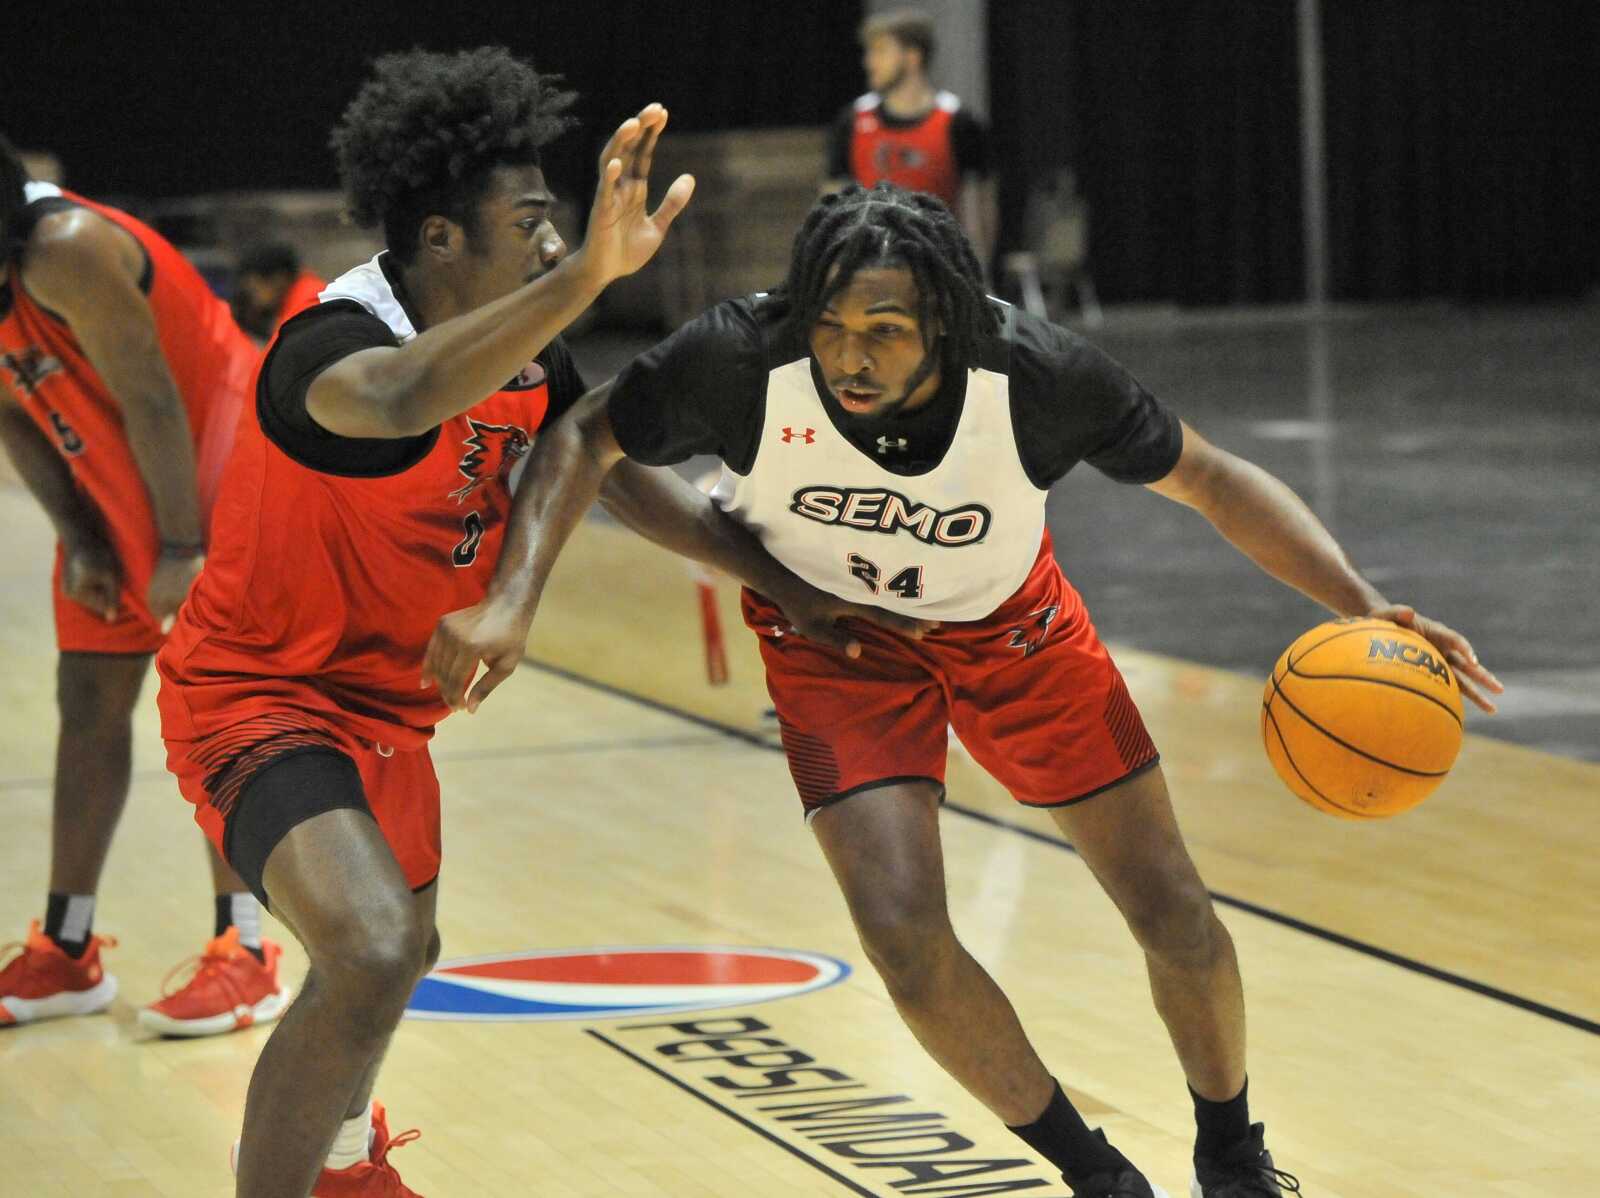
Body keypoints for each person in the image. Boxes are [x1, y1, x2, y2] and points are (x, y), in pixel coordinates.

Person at [431, 183, 1504, 1198]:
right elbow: (585, 435)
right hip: (835, 644)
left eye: (884, 332)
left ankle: (1229, 1149)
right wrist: (520, 600)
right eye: (832, 326)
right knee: (902, 940)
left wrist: (1358, 599)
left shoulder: (1036, 375)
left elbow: (1212, 478)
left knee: (1170, 909)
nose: (850, 356)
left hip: (1015, 633)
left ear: (943, 321)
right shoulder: (742, 356)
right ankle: (1096, 1175)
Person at [155, 48, 908, 1197]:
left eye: (559, 226)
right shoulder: (328, 346)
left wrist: (782, 582)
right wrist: (592, 278)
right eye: (534, 223)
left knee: (402, 957)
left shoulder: (527, 355)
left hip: (390, 706)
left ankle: (348, 1169)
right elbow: (410, 396)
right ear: (444, 239)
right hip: (257, 692)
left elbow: (605, 468)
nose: (554, 242)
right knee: (368, 950)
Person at [0, 134, 289, 1038]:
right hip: (119, 479)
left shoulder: (67, 248)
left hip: (218, 466)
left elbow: (158, 399)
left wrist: (176, 547)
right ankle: (68, 950)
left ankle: (246, 951)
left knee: (221, 706)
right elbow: (11, 410)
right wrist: (81, 535)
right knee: (88, 697)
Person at [825, 7, 997, 276]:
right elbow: (831, 204)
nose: (869, 62)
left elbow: (982, 208)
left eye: (880, 51)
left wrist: (979, 273)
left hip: (939, 273)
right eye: (869, 52)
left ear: (912, 56)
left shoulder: (959, 122)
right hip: (869, 271)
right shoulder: (852, 121)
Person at [232, 241, 326, 341]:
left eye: (254, 290)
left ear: (278, 279)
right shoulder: (307, 289)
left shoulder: (304, 304)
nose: (253, 299)